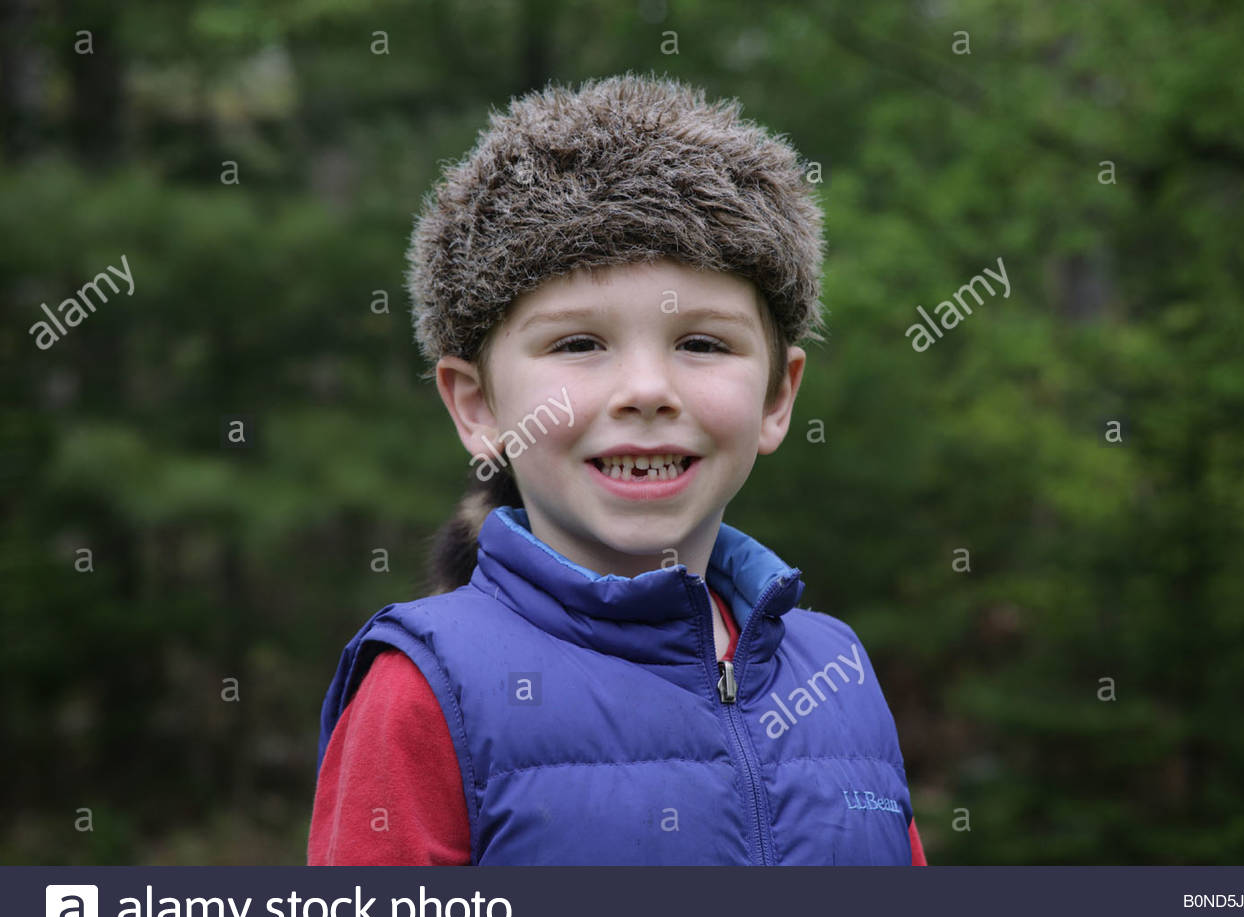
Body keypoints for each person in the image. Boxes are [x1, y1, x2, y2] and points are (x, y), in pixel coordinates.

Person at [309, 71, 927, 866]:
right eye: (579, 344)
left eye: (702, 344)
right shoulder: (425, 692)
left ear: (779, 397)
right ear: (477, 406)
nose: (646, 391)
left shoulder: (837, 672)